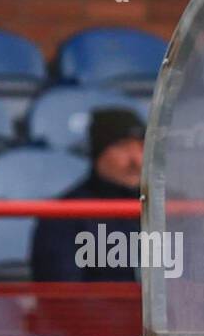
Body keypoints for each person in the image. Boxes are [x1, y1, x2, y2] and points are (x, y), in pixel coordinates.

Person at [30, 107, 144, 282]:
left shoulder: (171, 206)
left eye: (142, 147)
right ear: (98, 153)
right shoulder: (63, 216)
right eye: (122, 147)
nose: (136, 160)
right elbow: (63, 296)